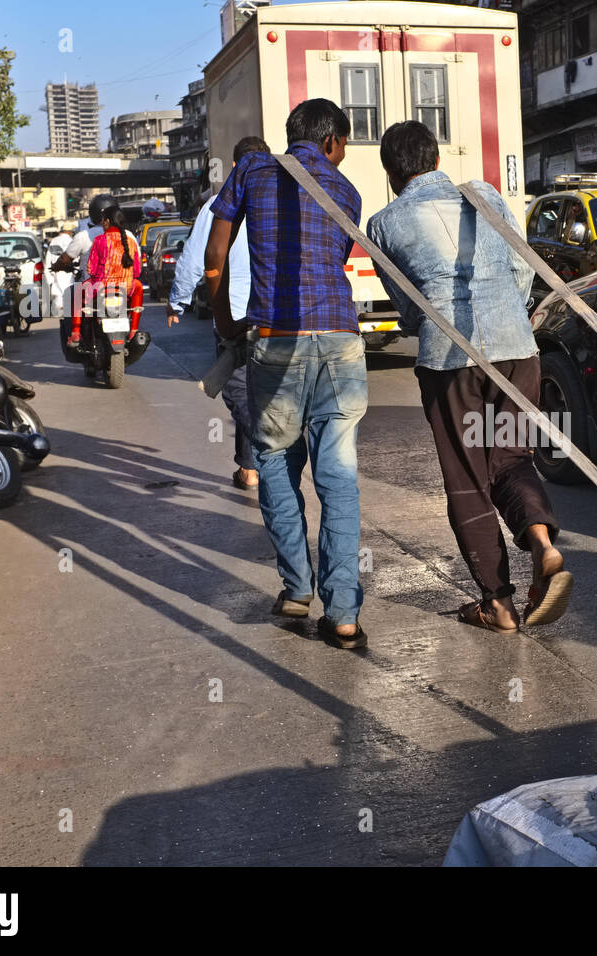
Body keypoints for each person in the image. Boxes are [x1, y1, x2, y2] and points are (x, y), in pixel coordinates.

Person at [366, 120, 573, 634]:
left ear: (393, 173)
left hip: (448, 361)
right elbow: (521, 268)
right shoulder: (483, 193)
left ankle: (498, 603)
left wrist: (429, 323)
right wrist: (507, 312)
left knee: (467, 479)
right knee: (511, 458)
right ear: (437, 159)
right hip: (516, 349)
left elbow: (407, 307)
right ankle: (543, 545)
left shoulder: (384, 223)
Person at [203, 98, 369, 650]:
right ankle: (343, 612)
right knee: (338, 475)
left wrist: (224, 315)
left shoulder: (252, 168)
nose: (341, 157)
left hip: (276, 338)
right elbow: (336, 258)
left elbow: (217, 247)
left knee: (274, 458)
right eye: (342, 146)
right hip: (341, 339)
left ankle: (298, 588)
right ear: (330, 142)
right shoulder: (345, 192)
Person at [167, 138, 267, 491]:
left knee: (240, 392)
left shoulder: (215, 206)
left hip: (233, 317)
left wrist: (177, 302)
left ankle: (258, 464)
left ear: (236, 167)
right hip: (272, 317)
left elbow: (195, 260)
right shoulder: (278, 202)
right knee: (259, 392)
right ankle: (251, 467)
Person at [75, 204, 142, 345]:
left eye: (102, 220)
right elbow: (137, 271)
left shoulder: (100, 240)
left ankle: (75, 332)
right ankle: (134, 329)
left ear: (107, 221)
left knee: (77, 291)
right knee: (139, 286)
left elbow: (90, 269)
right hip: (126, 287)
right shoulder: (131, 241)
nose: (101, 223)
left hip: (100, 287)